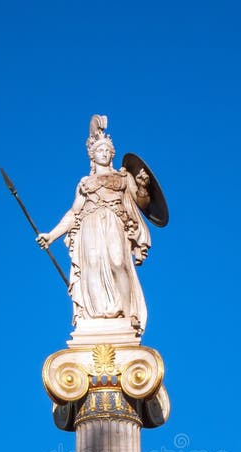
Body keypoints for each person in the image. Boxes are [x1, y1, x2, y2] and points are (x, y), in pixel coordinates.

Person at [37, 115, 151, 334]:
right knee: (93, 265)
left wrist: (143, 186)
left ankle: (128, 313)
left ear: (112, 154)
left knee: (118, 263)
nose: (104, 153)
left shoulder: (122, 177)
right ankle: (97, 313)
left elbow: (142, 201)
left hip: (114, 221)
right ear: (92, 154)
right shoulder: (85, 183)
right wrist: (52, 235)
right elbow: (74, 212)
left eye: (108, 150)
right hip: (89, 224)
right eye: (100, 150)